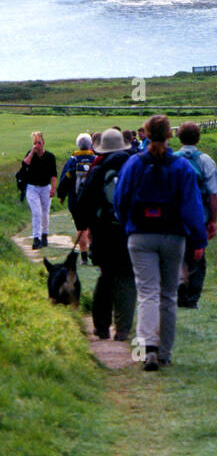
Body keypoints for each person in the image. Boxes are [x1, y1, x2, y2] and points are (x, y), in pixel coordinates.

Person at [114, 115, 207, 371]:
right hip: (173, 235)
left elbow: (120, 200)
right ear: (169, 135)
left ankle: (148, 349)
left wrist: (127, 223)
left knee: (147, 293)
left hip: (140, 235)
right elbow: (192, 207)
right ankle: (164, 352)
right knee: (168, 294)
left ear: (145, 133)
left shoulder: (134, 163)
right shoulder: (181, 167)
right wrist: (198, 239)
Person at [77, 128, 136, 343]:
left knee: (106, 277)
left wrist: (85, 225)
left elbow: (84, 203)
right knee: (127, 278)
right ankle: (123, 329)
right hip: (128, 231)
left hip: (103, 233)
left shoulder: (98, 169)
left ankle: (102, 327)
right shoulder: (133, 167)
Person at [174, 123, 217, 308]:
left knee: (177, 254)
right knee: (197, 257)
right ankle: (192, 297)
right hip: (199, 215)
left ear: (179, 137)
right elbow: (213, 194)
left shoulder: (173, 159)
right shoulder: (205, 161)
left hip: (176, 216)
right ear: (198, 138)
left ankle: (179, 286)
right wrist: (213, 220)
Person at [57, 133, 97, 264]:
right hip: (92, 201)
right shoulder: (95, 159)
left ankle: (84, 256)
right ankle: (93, 251)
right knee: (91, 226)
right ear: (90, 144)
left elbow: (64, 180)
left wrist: (61, 195)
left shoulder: (72, 160)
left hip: (76, 200)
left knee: (81, 229)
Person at [21, 132, 58, 249]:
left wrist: (53, 188)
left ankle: (44, 235)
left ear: (43, 143)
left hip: (45, 187)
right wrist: (32, 152)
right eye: (35, 143)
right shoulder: (31, 154)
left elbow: (54, 174)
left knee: (45, 213)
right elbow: (25, 164)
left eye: (39, 143)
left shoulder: (50, 157)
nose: (37, 145)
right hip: (32, 188)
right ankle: (36, 238)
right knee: (37, 212)